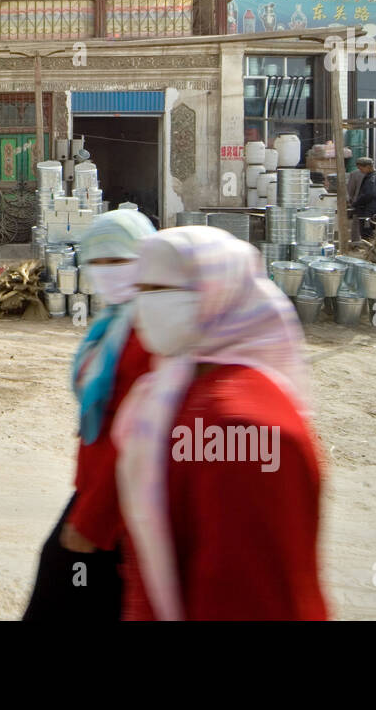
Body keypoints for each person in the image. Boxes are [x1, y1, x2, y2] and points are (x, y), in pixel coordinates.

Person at [113, 225, 327, 620]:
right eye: (141, 289)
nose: (144, 305)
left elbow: (248, 596)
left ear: (217, 294)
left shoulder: (244, 426)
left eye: (161, 291)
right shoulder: (172, 389)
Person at [23, 209, 157, 621]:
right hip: (95, 488)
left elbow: (141, 440)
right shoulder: (114, 322)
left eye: (118, 260)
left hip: (117, 506)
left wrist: (94, 520)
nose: (106, 272)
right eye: (97, 262)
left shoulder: (151, 332)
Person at [349, 157, 376, 240]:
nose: (360, 171)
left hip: (369, 211)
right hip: (369, 210)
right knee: (367, 234)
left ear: (368, 167)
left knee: (367, 234)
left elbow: (369, 194)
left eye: (361, 168)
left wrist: (357, 203)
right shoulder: (372, 177)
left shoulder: (374, 178)